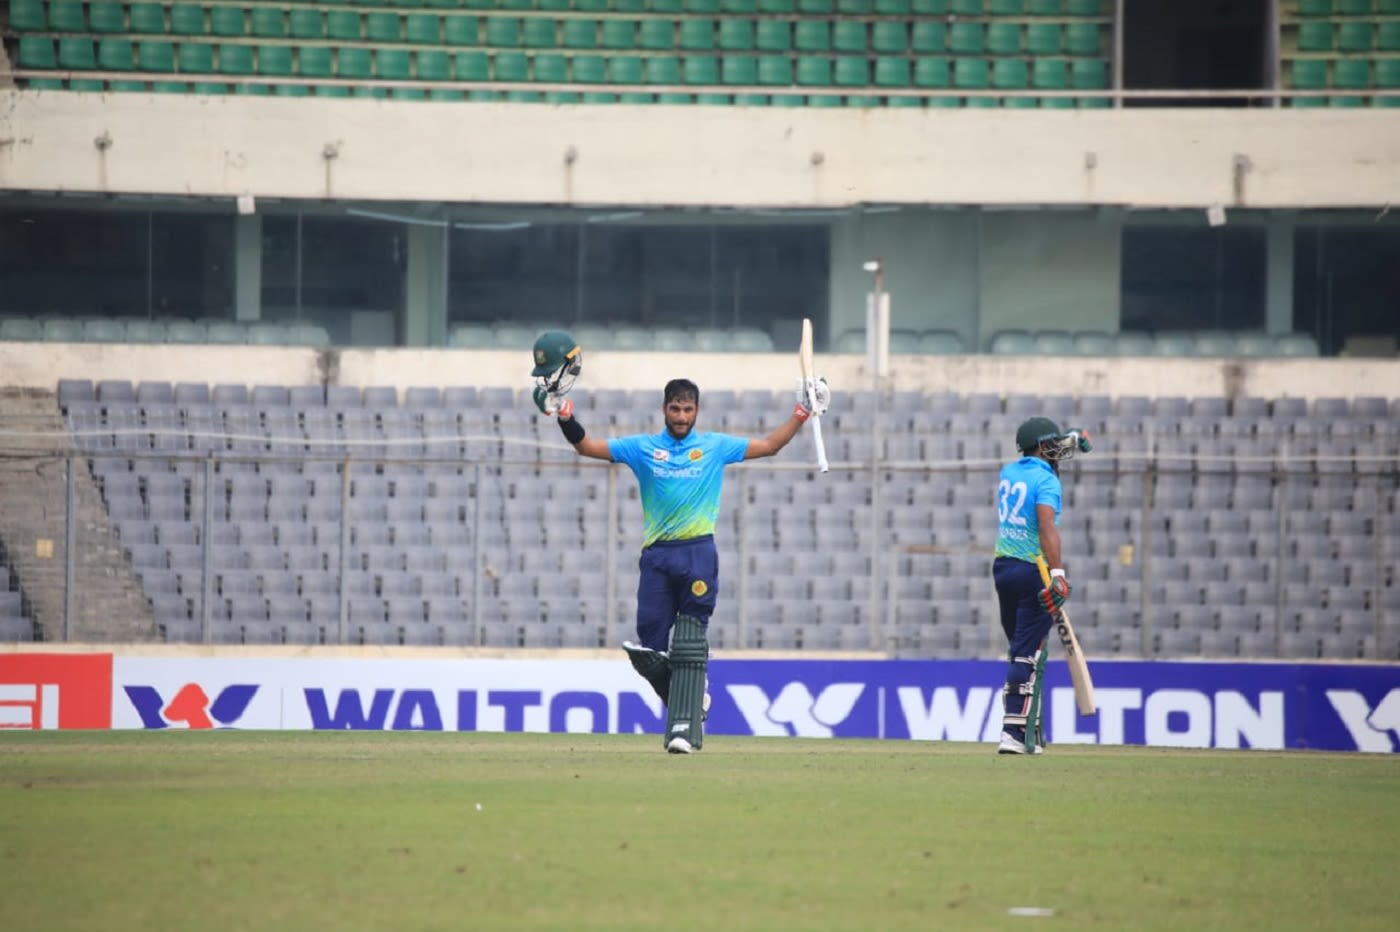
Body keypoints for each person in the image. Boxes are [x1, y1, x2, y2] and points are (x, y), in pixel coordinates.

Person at [531, 332, 828, 754]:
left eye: (688, 409)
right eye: (675, 408)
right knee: (649, 646)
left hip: (698, 553)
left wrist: (802, 411)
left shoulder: (714, 446)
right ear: (664, 409)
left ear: (697, 411)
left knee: (689, 639)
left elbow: (770, 445)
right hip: (657, 556)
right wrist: (563, 415)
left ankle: (683, 729)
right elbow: (587, 447)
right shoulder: (642, 448)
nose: (682, 416)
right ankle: (690, 697)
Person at [991, 416, 1091, 756]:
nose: (1057, 449)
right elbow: (1047, 526)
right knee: (1027, 652)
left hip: (1003, 568)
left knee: (1024, 649)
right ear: (1038, 446)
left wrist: (1073, 440)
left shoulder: (1010, 471)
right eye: (1050, 444)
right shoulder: (1046, 481)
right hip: (1035, 570)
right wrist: (1058, 572)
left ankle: (1031, 729)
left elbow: (1059, 448)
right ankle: (1013, 733)